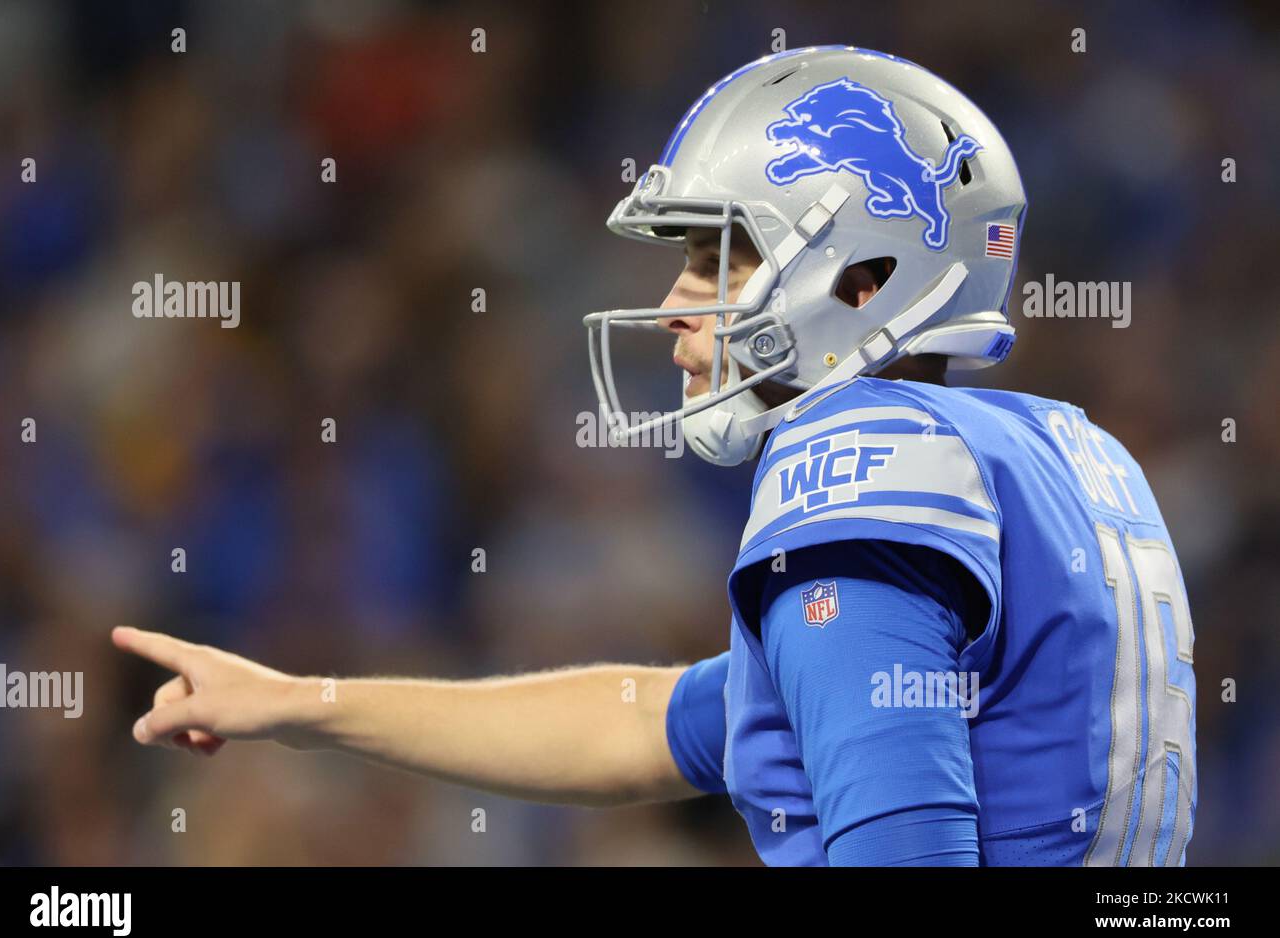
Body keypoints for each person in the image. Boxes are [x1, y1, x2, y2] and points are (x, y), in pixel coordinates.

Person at [116, 46, 1197, 866]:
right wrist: (303, 704)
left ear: (862, 279)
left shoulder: (863, 455)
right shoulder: (1062, 449)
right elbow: (643, 725)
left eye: (715, 256)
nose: (676, 305)